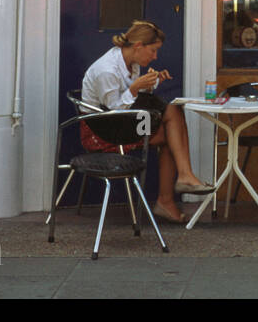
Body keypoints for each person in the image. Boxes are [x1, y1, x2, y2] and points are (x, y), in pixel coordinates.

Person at [81, 20, 213, 223]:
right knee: (171, 133)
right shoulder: (106, 70)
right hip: (101, 130)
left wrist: (152, 82)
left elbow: (129, 99)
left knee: (173, 110)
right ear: (138, 46)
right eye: (153, 51)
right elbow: (114, 109)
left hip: (122, 121)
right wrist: (135, 88)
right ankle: (170, 196)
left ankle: (180, 182)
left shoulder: (130, 62)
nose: (155, 57)